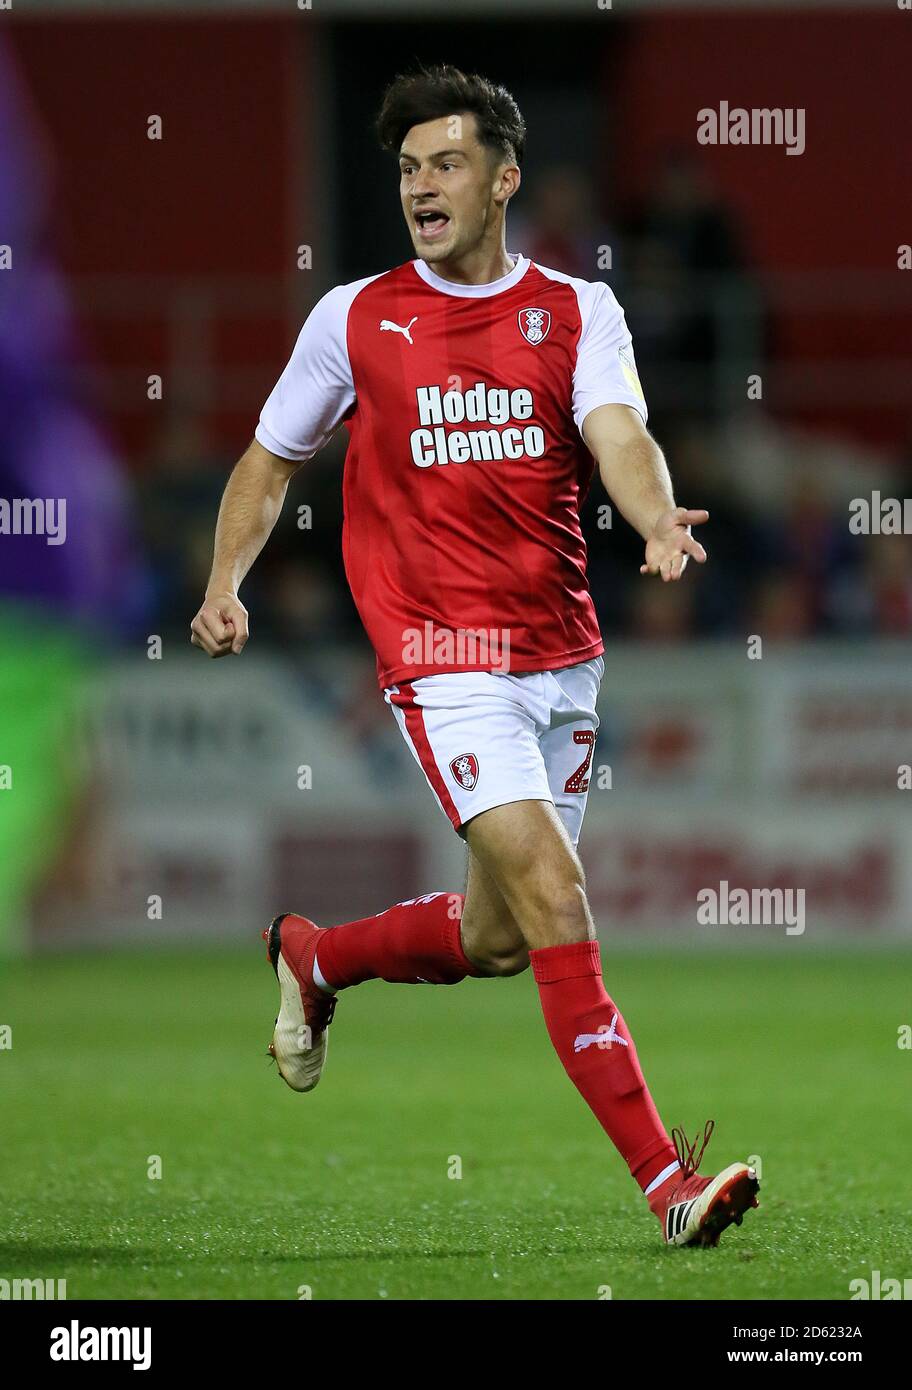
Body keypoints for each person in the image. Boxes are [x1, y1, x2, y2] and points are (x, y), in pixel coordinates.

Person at [190, 64, 758, 1248]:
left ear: (504, 181)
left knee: (504, 937)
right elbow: (269, 458)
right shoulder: (353, 316)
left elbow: (620, 433)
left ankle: (316, 956)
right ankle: (668, 1186)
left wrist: (654, 517)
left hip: (562, 656)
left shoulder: (577, 310)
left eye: (446, 165)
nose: (422, 188)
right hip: (442, 656)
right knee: (559, 895)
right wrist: (223, 585)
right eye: (406, 170)